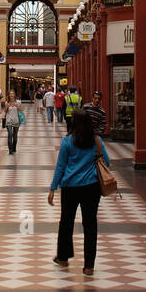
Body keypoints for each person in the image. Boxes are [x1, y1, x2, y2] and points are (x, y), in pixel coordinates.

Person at [48, 109, 110, 277]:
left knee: (66, 222)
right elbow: (107, 162)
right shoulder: (96, 141)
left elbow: (61, 166)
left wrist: (53, 188)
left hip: (70, 188)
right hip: (91, 187)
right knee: (90, 225)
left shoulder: (67, 141)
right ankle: (89, 266)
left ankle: (63, 258)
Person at [4, 90, 22, 154]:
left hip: (16, 120)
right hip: (8, 120)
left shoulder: (18, 102)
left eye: (12, 94)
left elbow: (21, 109)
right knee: (10, 134)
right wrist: (7, 107)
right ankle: (10, 150)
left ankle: (14, 147)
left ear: (14, 95)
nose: (11, 96)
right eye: (10, 94)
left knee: (15, 137)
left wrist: (17, 106)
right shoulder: (7, 103)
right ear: (9, 95)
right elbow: (5, 111)